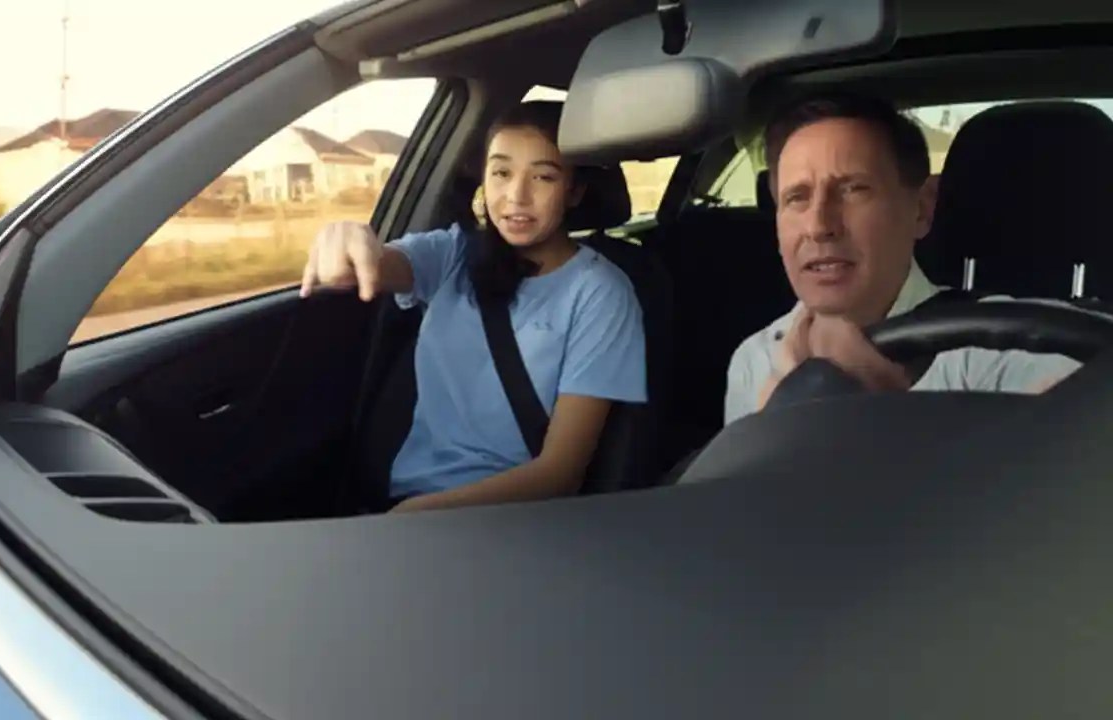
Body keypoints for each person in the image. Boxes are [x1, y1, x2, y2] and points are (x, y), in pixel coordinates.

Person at [301, 101, 646, 512]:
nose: (516, 196)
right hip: (409, 501)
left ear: (574, 191)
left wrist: (414, 515)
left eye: (543, 176)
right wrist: (348, 238)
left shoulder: (601, 292)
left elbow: (560, 473)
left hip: (514, 516)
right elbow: (373, 264)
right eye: (501, 173)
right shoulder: (453, 253)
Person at [725, 92, 1081, 424]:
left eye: (853, 189)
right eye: (796, 198)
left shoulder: (1015, 347)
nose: (819, 226)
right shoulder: (755, 360)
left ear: (921, 209)